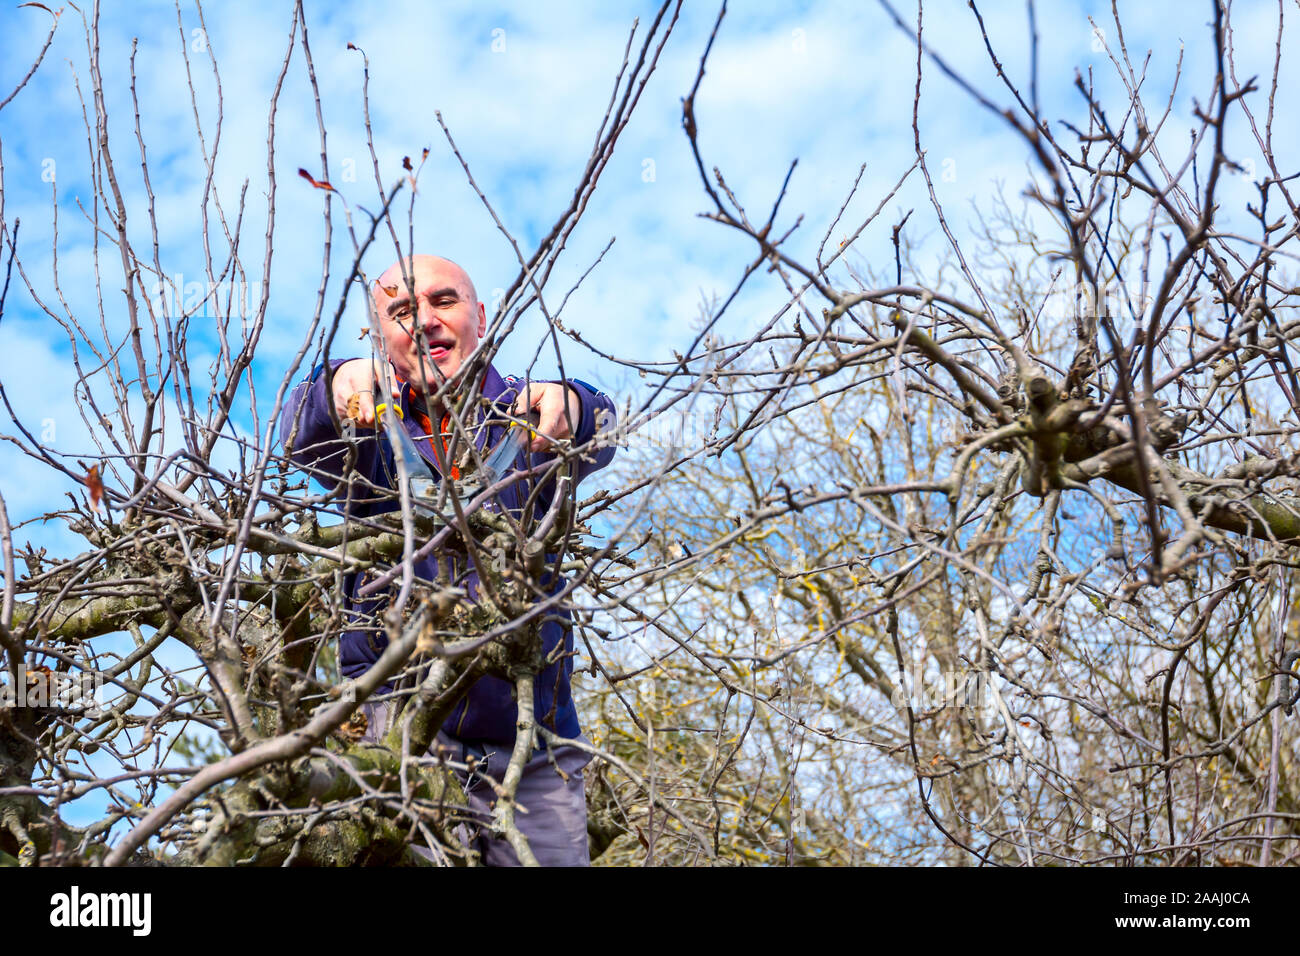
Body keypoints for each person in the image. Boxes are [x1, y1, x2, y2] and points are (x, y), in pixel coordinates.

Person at [278, 254, 616, 865]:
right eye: (402, 311)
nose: (425, 321)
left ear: (480, 317)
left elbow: (607, 429)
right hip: (401, 739)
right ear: (381, 337)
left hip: (535, 747)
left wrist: (578, 402)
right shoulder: (369, 425)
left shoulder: (525, 409)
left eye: (443, 301)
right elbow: (299, 432)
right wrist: (337, 383)